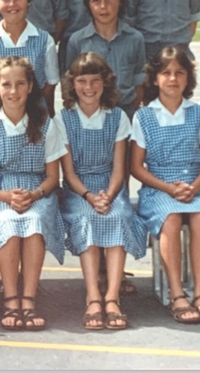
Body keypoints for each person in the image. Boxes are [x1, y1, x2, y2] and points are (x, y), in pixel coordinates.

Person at [0, 56, 65, 331]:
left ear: (30, 86)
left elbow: (52, 177)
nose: (13, 91)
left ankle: (29, 298)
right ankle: (11, 298)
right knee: (8, 223)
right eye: (6, 85)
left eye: (20, 84)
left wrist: (34, 195)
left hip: (36, 192)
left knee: (34, 222)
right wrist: (6, 197)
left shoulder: (45, 124)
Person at [130, 47, 200, 325]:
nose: (173, 79)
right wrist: (169, 189)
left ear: (188, 78)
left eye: (179, 73)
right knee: (170, 218)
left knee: (199, 218)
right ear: (155, 78)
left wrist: (193, 187)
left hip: (192, 187)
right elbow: (136, 167)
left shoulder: (199, 114)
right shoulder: (144, 116)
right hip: (158, 189)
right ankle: (177, 294)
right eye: (166, 73)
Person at [56, 53, 147, 330]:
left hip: (110, 186)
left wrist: (109, 194)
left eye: (95, 81)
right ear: (73, 84)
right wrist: (89, 196)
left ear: (105, 83)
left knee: (118, 216)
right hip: (79, 189)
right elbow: (68, 173)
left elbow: (119, 168)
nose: (89, 87)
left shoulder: (117, 117)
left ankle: (112, 297)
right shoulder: (63, 118)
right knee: (86, 218)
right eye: (82, 81)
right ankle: (93, 296)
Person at [64, 0, 147, 118]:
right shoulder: (77, 41)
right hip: (89, 114)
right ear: (88, 4)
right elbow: (70, 83)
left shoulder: (135, 38)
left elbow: (139, 79)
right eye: (96, 0)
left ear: (121, 1)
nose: (103, 6)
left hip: (126, 112)